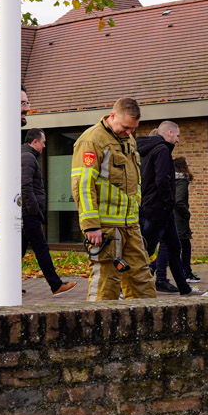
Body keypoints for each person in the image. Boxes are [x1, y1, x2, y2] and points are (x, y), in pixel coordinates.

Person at [73, 98, 154, 301]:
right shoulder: (91, 140)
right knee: (105, 284)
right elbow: (83, 185)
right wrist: (91, 226)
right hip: (106, 228)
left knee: (142, 281)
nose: (129, 132)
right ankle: (95, 328)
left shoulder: (128, 140)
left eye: (133, 129)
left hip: (130, 225)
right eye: (125, 127)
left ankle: (145, 328)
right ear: (112, 116)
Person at [136, 120, 189, 296]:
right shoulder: (162, 150)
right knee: (147, 251)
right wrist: (168, 202)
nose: (178, 140)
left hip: (155, 207)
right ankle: (127, 287)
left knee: (174, 248)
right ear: (169, 134)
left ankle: (185, 289)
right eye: (177, 135)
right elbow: (162, 180)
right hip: (159, 208)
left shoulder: (146, 150)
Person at [21, 128, 75, 295]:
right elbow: (25, 187)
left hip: (26, 212)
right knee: (41, 248)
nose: (45, 146)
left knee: (20, 250)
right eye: (43, 142)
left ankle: (6, 284)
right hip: (29, 214)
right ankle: (56, 284)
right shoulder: (28, 158)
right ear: (34, 141)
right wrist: (35, 210)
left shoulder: (25, 156)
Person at [169, 151, 199, 285]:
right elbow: (179, 201)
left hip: (173, 217)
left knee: (174, 247)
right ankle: (186, 273)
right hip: (179, 219)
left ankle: (185, 272)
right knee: (184, 246)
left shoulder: (172, 180)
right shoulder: (182, 180)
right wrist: (186, 213)